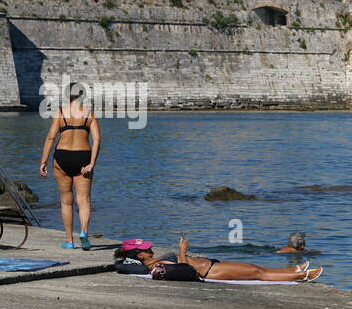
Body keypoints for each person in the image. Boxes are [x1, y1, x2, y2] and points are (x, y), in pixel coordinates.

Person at [38, 82, 100, 249]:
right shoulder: (89, 114)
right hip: (83, 156)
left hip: (62, 156)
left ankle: (69, 240)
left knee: (66, 201)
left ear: (68, 95)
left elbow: (50, 138)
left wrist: (43, 161)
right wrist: (92, 163)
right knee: (84, 199)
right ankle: (84, 232)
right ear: (82, 94)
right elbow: (97, 140)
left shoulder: (61, 113)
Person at [115, 237, 323, 282]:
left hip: (214, 265)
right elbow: (184, 270)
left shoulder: (153, 260)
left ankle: (293, 271)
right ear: (140, 255)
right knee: (258, 274)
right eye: (145, 248)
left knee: (257, 267)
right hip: (210, 272)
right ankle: (302, 276)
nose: (150, 247)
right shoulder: (154, 265)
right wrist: (182, 251)